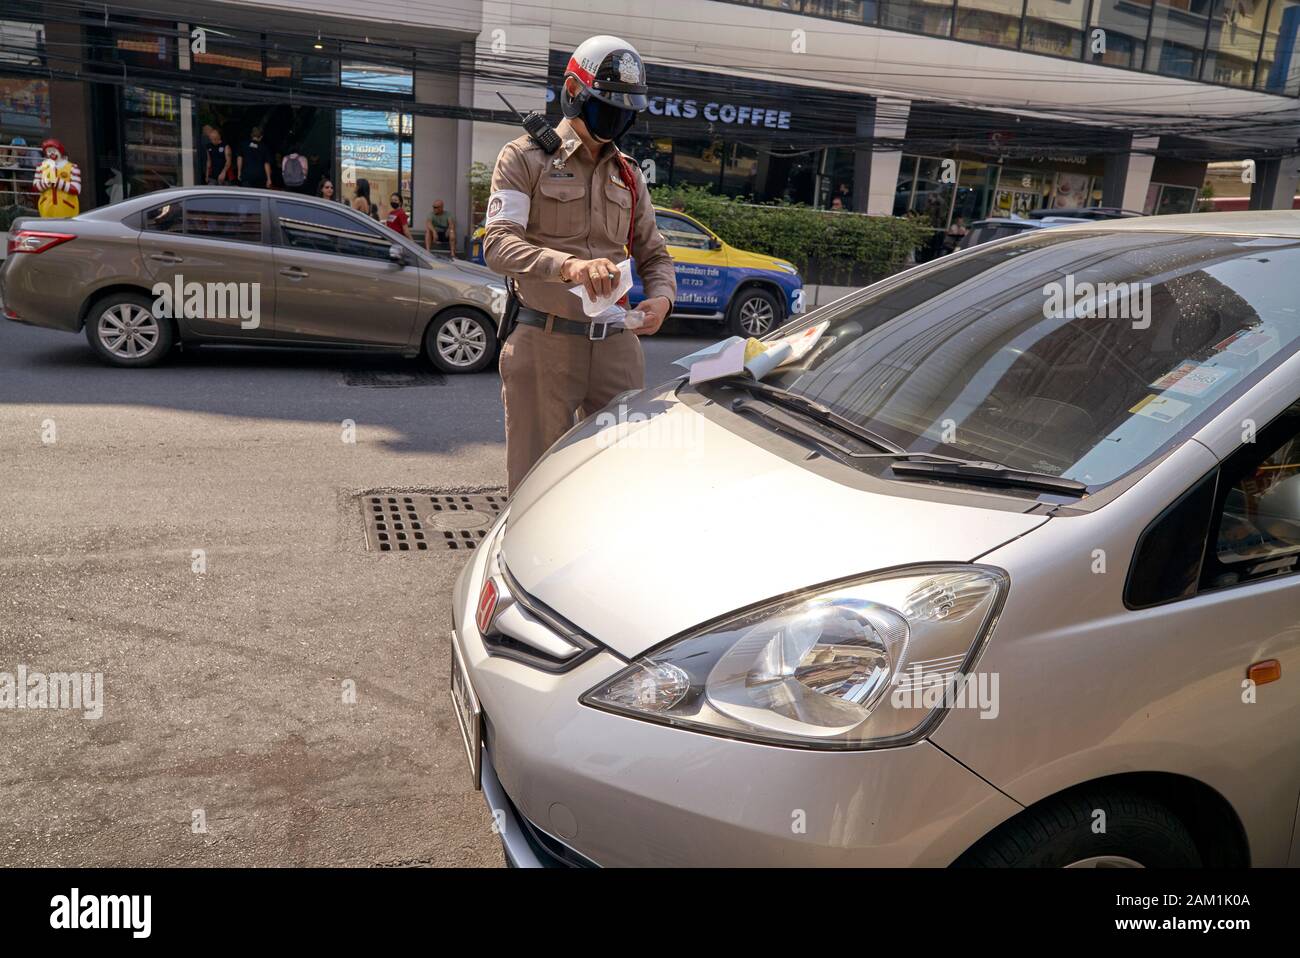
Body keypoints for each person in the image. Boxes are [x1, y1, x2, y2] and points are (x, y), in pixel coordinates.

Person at [483, 35, 676, 494]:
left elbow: (654, 253)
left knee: (617, 480)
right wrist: (568, 267)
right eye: (605, 107)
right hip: (543, 340)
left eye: (625, 112)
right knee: (535, 486)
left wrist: (663, 299)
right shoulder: (524, 158)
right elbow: (498, 245)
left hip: (616, 344)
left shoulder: (629, 174)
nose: (615, 121)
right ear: (573, 92)